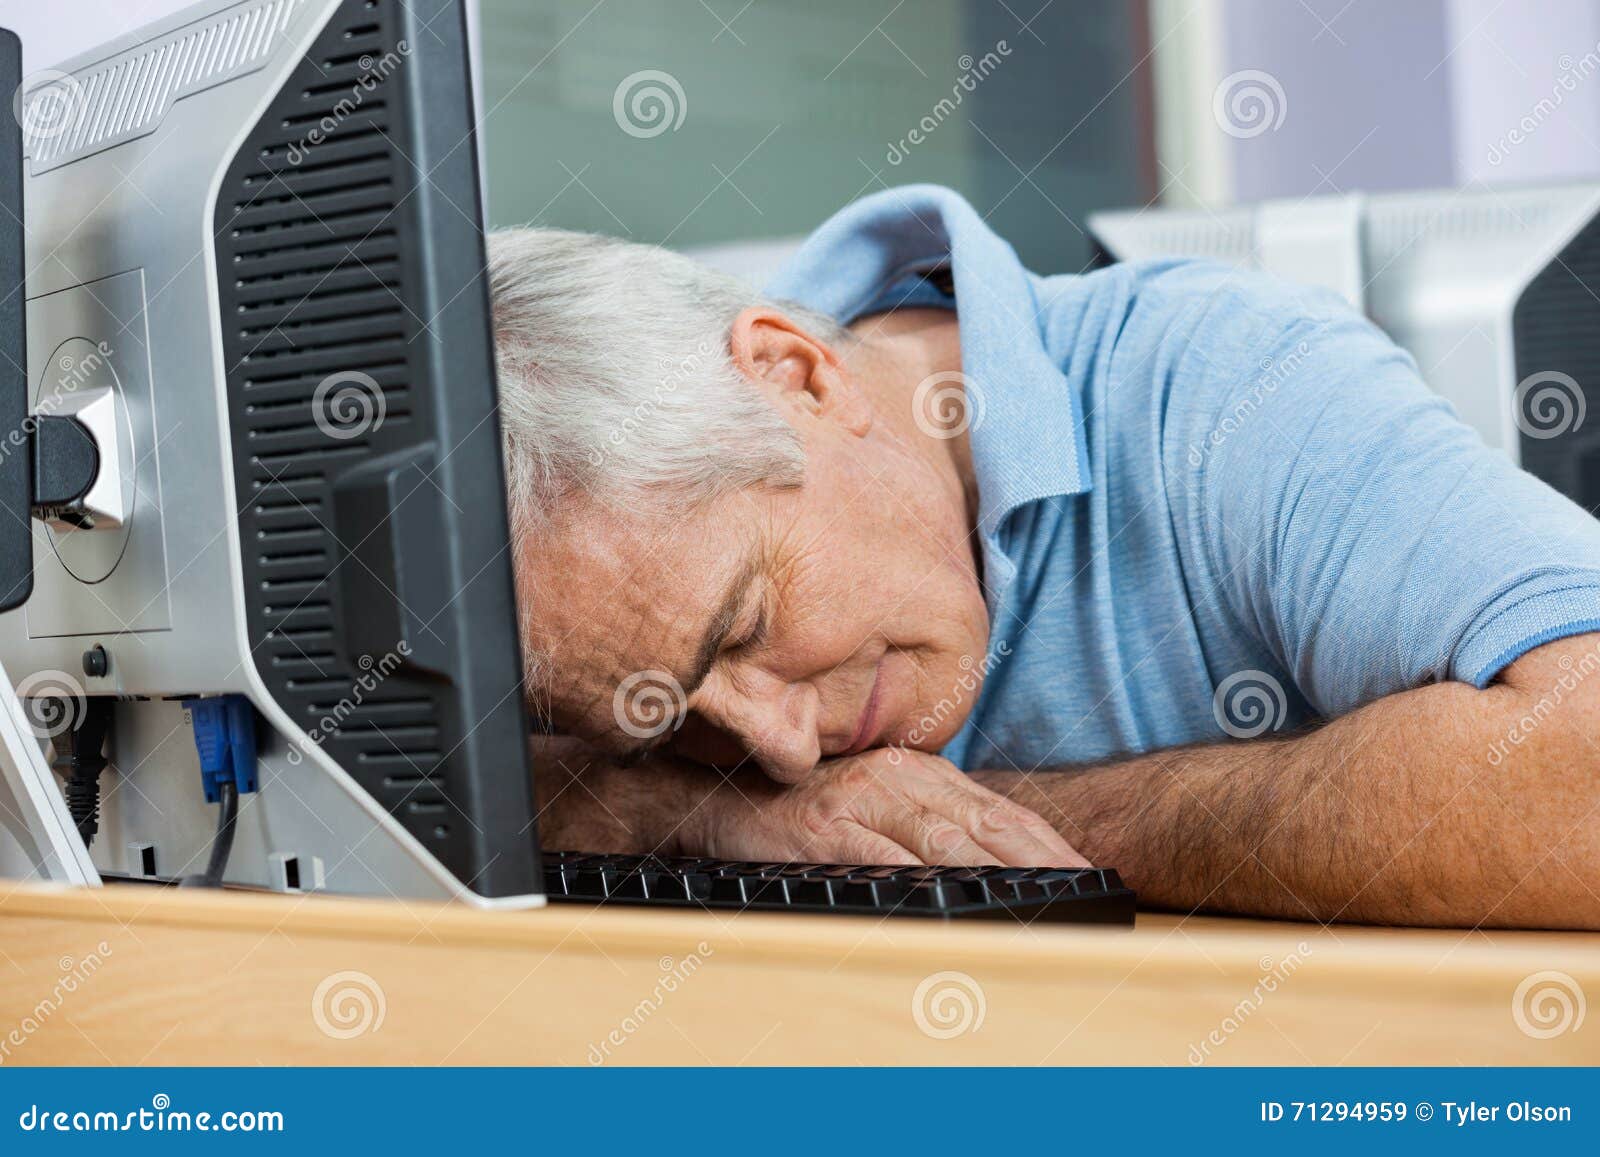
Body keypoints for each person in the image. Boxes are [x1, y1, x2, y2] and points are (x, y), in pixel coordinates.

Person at [489, 185, 1600, 928]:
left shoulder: (1225, 384)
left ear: (795, 376)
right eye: (671, 718)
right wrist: (686, 812)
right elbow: (420, 792)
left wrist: (988, 824)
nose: (778, 753)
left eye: (742, 626)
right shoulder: (585, 573)